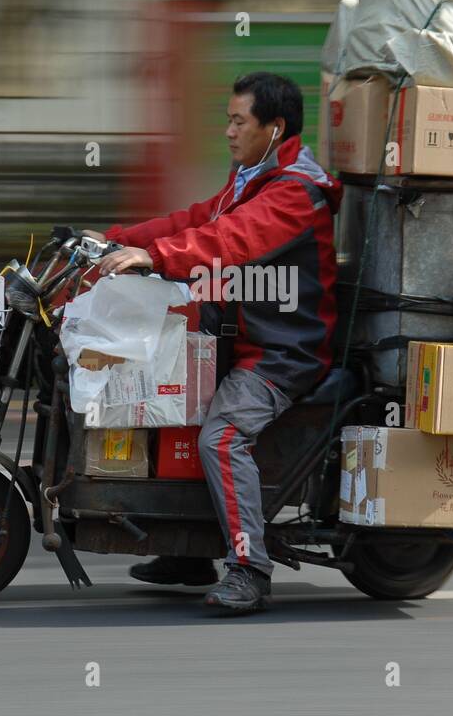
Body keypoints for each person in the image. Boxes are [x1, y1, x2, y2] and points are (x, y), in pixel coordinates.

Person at [94, 72, 341, 614]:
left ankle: (250, 569)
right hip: (236, 337)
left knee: (221, 438)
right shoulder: (249, 177)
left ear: (274, 130)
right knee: (165, 402)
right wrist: (117, 239)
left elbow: (230, 239)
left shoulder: (294, 193)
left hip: (283, 351)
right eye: (227, 119)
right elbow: (196, 219)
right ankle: (185, 549)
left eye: (238, 121)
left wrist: (155, 258)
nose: (228, 131)